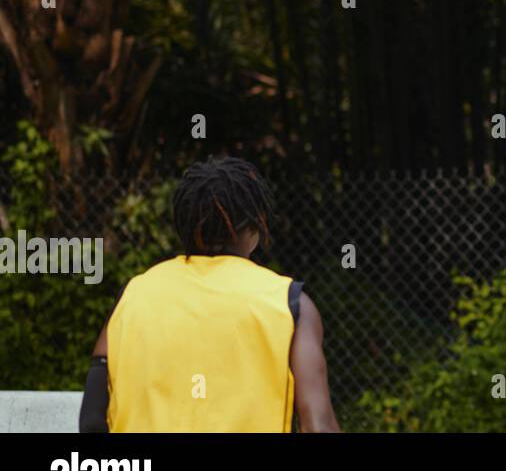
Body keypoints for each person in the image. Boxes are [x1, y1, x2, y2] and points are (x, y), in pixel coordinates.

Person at [78, 156, 340, 432]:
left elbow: (93, 419)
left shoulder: (134, 297)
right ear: (255, 228)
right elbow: (318, 426)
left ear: (183, 226)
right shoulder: (289, 304)